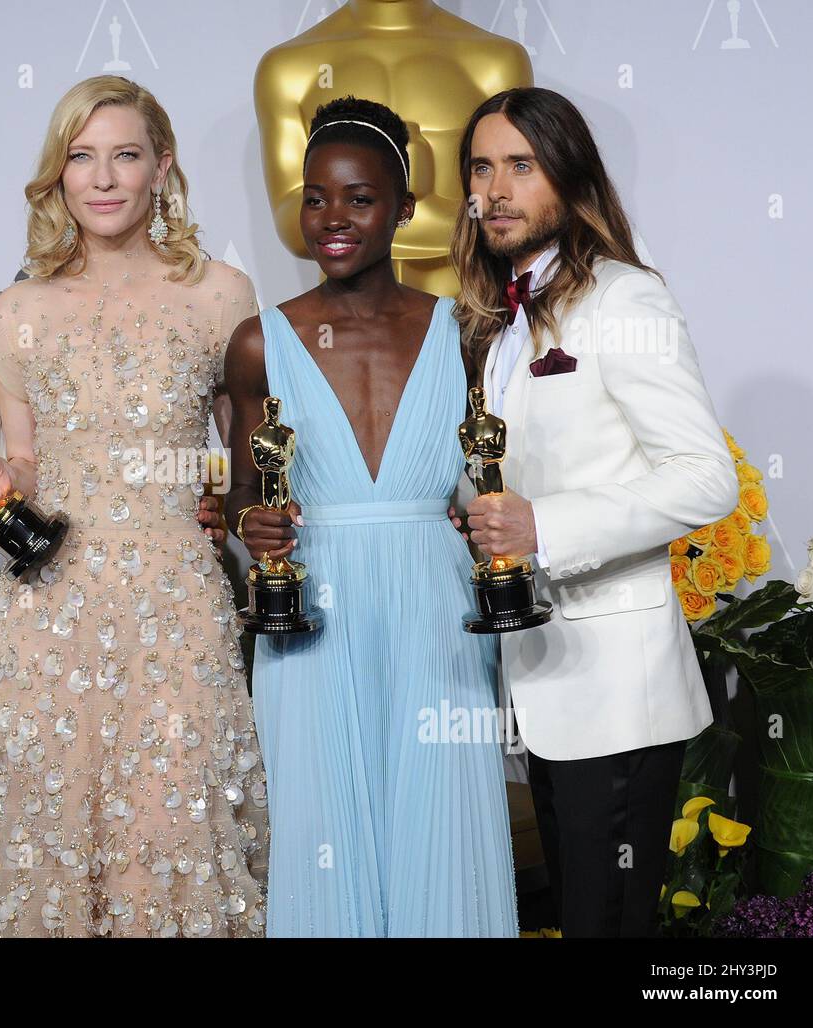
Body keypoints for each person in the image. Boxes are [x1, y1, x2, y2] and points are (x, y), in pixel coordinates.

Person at [0, 76, 269, 937]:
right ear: (58, 176)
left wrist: (219, 500)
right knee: (46, 840)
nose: (104, 178)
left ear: (162, 167)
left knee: (169, 835)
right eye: (81, 158)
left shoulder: (221, 294)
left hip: (177, 609)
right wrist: (1, 487)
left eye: (125, 155)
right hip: (51, 613)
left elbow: (246, 460)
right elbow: (25, 458)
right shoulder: (14, 313)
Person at [225, 96, 518, 937]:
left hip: (436, 603)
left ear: (406, 209)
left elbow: (487, 475)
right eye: (315, 197)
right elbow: (248, 489)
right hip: (315, 609)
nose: (332, 218)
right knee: (323, 822)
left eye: (358, 198)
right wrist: (255, 529)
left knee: (444, 814)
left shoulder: (463, 330)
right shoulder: (260, 342)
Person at [449, 86, 739, 937]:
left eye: (520, 166)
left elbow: (703, 478)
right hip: (540, 676)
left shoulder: (624, 300)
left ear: (568, 178)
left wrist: (548, 527)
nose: (495, 190)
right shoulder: (492, 322)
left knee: (607, 921)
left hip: (618, 687)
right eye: (480, 168)